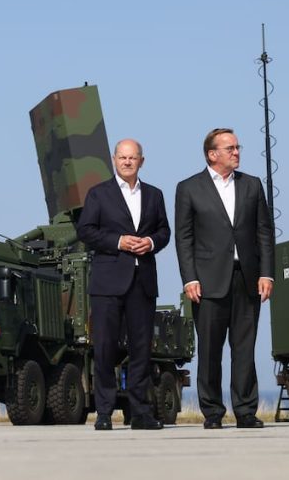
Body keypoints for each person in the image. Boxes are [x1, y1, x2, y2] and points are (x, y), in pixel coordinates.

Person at [175, 128, 274, 429]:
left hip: (247, 279)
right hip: (206, 282)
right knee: (210, 350)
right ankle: (213, 413)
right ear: (212, 154)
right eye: (230, 147)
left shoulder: (253, 185)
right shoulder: (189, 188)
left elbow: (264, 233)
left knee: (244, 348)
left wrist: (266, 273)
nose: (236, 152)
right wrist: (189, 278)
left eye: (237, 147)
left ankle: (245, 411)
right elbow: (184, 238)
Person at [77, 138, 171, 431]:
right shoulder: (98, 194)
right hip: (108, 283)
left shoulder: (154, 195)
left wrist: (151, 242)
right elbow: (86, 231)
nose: (128, 162)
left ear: (141, 161)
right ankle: (103, 412)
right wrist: (118, 241)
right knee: (104, 347)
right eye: (123, 157)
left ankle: (140, 412)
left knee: (142, 349)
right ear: (114, 160)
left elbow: (164, 231)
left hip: (142, 282)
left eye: (133, 158)